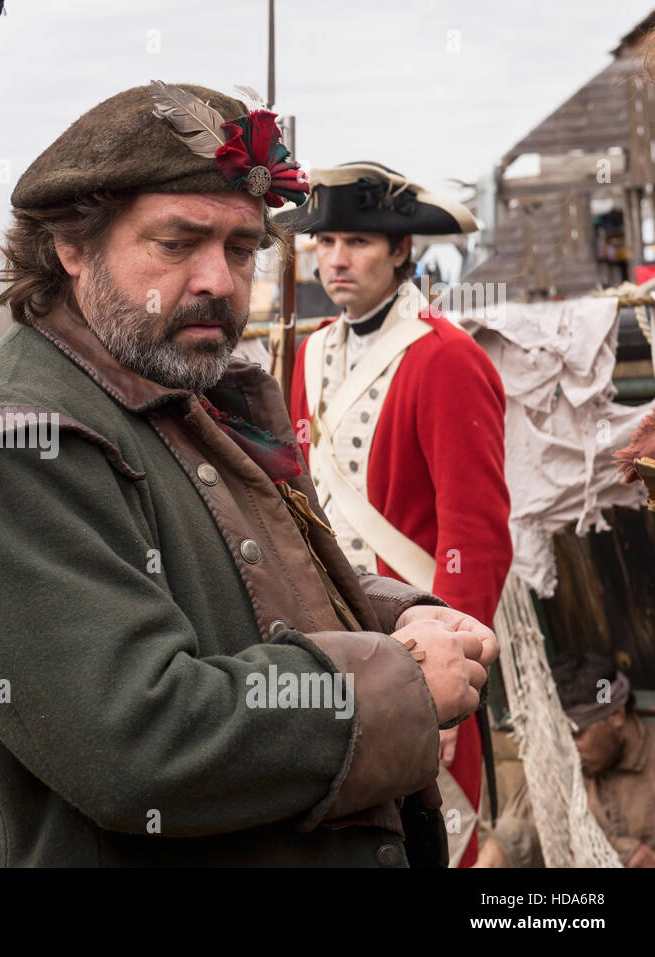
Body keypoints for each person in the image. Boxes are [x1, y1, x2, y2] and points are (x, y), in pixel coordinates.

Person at [0, 81, 498, 867]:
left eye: (242, 249)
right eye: (178, 243)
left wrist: (401, 619)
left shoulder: (186, 389)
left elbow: (239, 589)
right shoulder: (24, 445)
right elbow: (139, 739)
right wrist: (397, 683)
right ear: (73, 247)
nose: (219, 279)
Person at [278, 162, 513, 867]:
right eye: (324, 242)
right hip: (334, 641)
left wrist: (451, 666)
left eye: (357, 241)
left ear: (402, 250)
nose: (336, 258)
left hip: (423, 642)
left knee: (433, 842)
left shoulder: (448, 356)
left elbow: (476, 536)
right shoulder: (310, 350)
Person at [476, 654, 655, 868]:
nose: (568, 749)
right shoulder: (559, 761)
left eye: (576, 734)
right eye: (560, 738)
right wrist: (623, 851)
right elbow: (524, 830)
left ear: (616, 714)